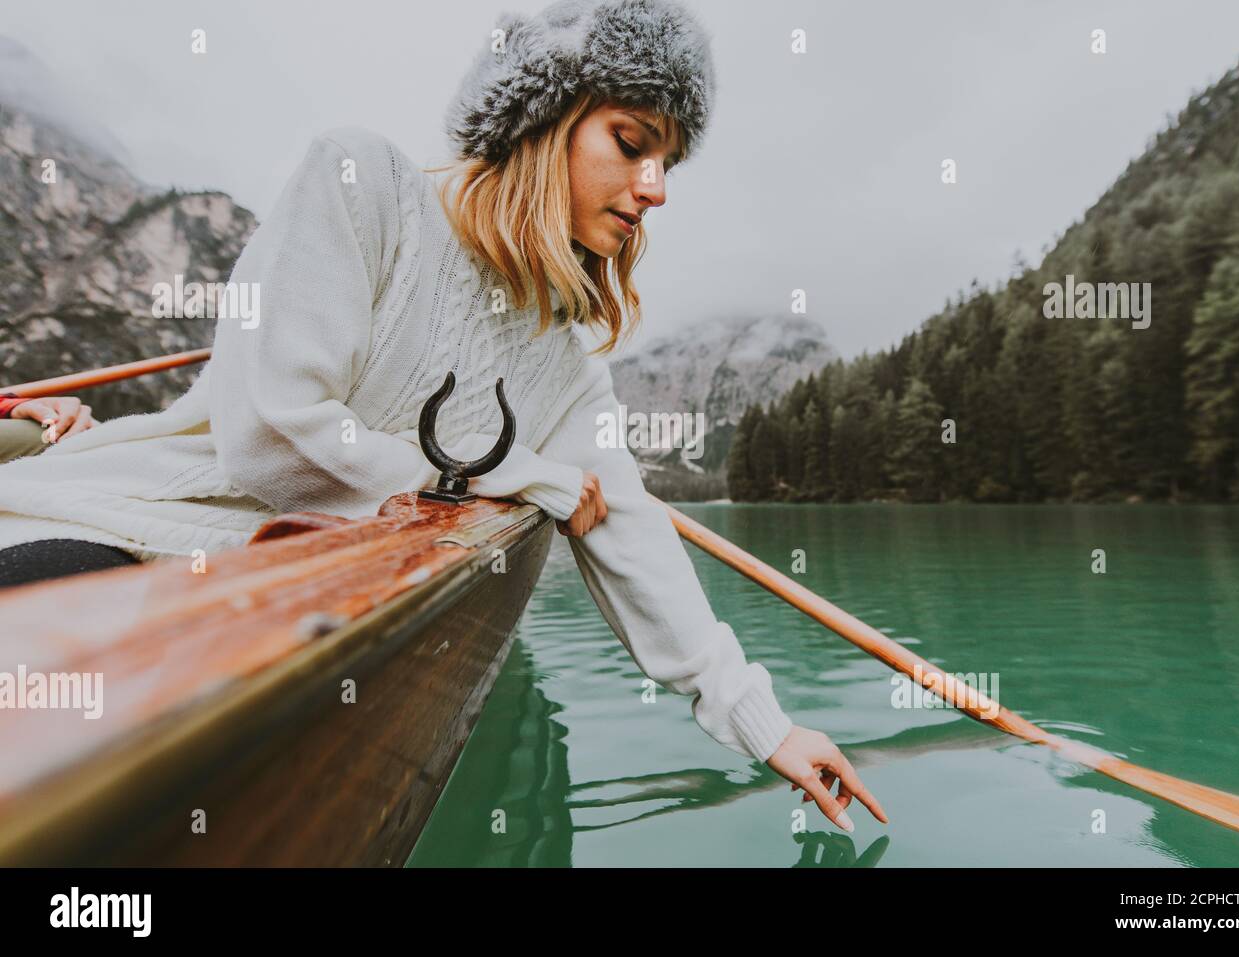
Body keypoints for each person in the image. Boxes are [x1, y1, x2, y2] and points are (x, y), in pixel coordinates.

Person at [0, 0, 886, 832]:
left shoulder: (569, 366)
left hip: (286, 595)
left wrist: (764, 723)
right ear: (543, 117)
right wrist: (525, 477)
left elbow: (632, 529)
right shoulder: (362, 183)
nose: (654, 189)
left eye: (667, 163)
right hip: (135, 528)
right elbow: (270, 438)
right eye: (631, 142)